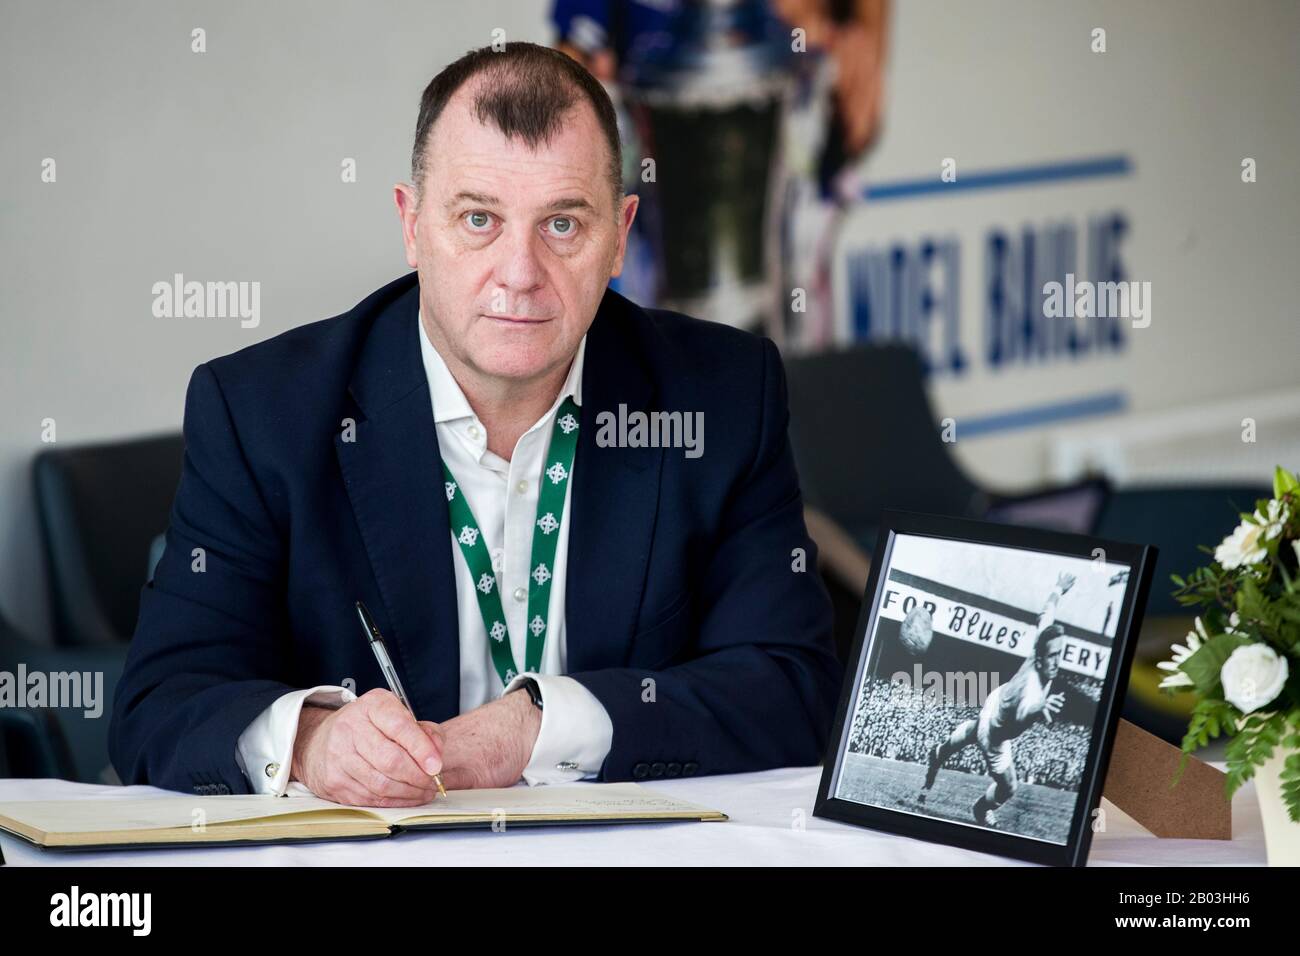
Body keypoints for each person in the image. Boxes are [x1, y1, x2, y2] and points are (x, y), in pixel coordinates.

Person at [108, 42, 841, 807]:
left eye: (562, 224)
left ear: (622, 233)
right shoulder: (263, 414)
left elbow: (791, 690)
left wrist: (537, 729)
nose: (520, 273)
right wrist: (310, 742)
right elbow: (159, 703)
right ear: (413, 224)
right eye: (479, 219)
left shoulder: (720, 399)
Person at [919, 573, 1075, 826]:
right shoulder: (1033, 692)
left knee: (973, 730)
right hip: (995, 735)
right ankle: (980, 809)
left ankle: (939, 751)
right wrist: (1040, 708)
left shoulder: (1040, 645)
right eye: (1053, 656)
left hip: (994, 703)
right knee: (1010, 787)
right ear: (1039, 658)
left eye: (1060, 654)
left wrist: (1058, 588)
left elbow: (1046, 614)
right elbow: (1024, 711)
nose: (1057, 661)